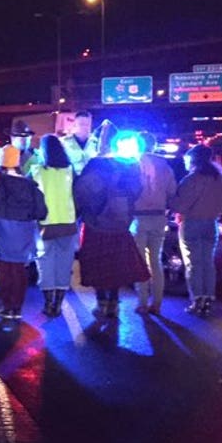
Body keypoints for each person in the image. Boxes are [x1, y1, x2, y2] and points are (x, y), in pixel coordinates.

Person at [72, 123, 149, 321]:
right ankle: (113, 301)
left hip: (96, 223)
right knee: (115, 265)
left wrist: (82, 212)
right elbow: (137, 192)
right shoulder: (131, 165)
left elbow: (81, 191)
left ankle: (101, 302)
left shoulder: (95, 164)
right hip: (120, 223)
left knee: (97, 264)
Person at [0, 145, 46, 320]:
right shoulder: (29, 185)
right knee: (19, 269)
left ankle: (8, 306)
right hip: (23, 232)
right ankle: (17, 307)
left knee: (4, 269)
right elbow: (42, 211)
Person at [171, 144, 222, 315]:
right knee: (208, 263)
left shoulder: (190, 181)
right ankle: (209, 298)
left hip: (191, 224)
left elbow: (180, 205)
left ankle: (197, 300)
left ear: (193, 160)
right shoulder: (220, 181)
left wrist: (171, 203)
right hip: (211, 225)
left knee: (193, 264)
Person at [31, 133, 78, 317]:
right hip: (68, 225)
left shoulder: (37, 171)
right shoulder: (70, 171)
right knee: (64, 265)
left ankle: (48, 303)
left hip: (45, 225)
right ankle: (58, 304)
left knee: (45, 264)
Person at [130, 132, 177, 315]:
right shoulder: (165, 166)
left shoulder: (133, 164)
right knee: (156, 261)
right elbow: (172, 191)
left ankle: (142, 302)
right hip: (158, 217)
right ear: (154, 145)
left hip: (138, 217)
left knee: (140, 261)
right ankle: (157, 303)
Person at [59, 110, 100, 176]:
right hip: (71, 179)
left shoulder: (97, 142)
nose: (85, 127)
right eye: (81, 124)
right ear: (75, 125)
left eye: (87, 124)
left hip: (92, 179)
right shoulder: (63, 142)